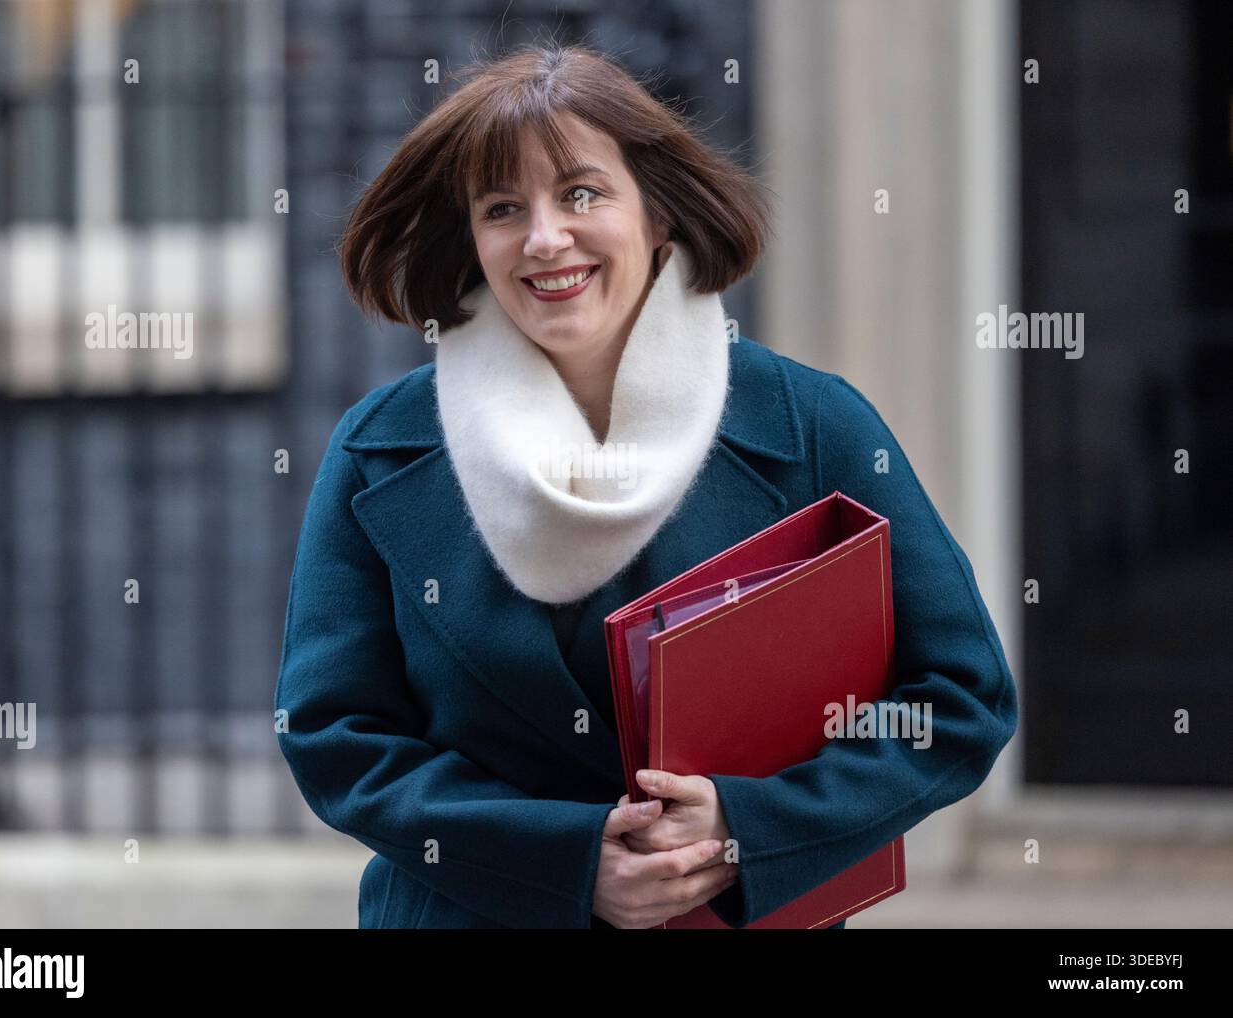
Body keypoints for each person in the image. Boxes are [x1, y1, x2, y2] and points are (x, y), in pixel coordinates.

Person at [274, 42, 1018, 929]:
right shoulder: (380, 449)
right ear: (472, 240)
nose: (546, 238)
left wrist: (749, 828)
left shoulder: (812, 425)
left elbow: (959, 698)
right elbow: (334, 734)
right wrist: (566, 862)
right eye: (503, 207)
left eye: (581, 193)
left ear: (659, 214)